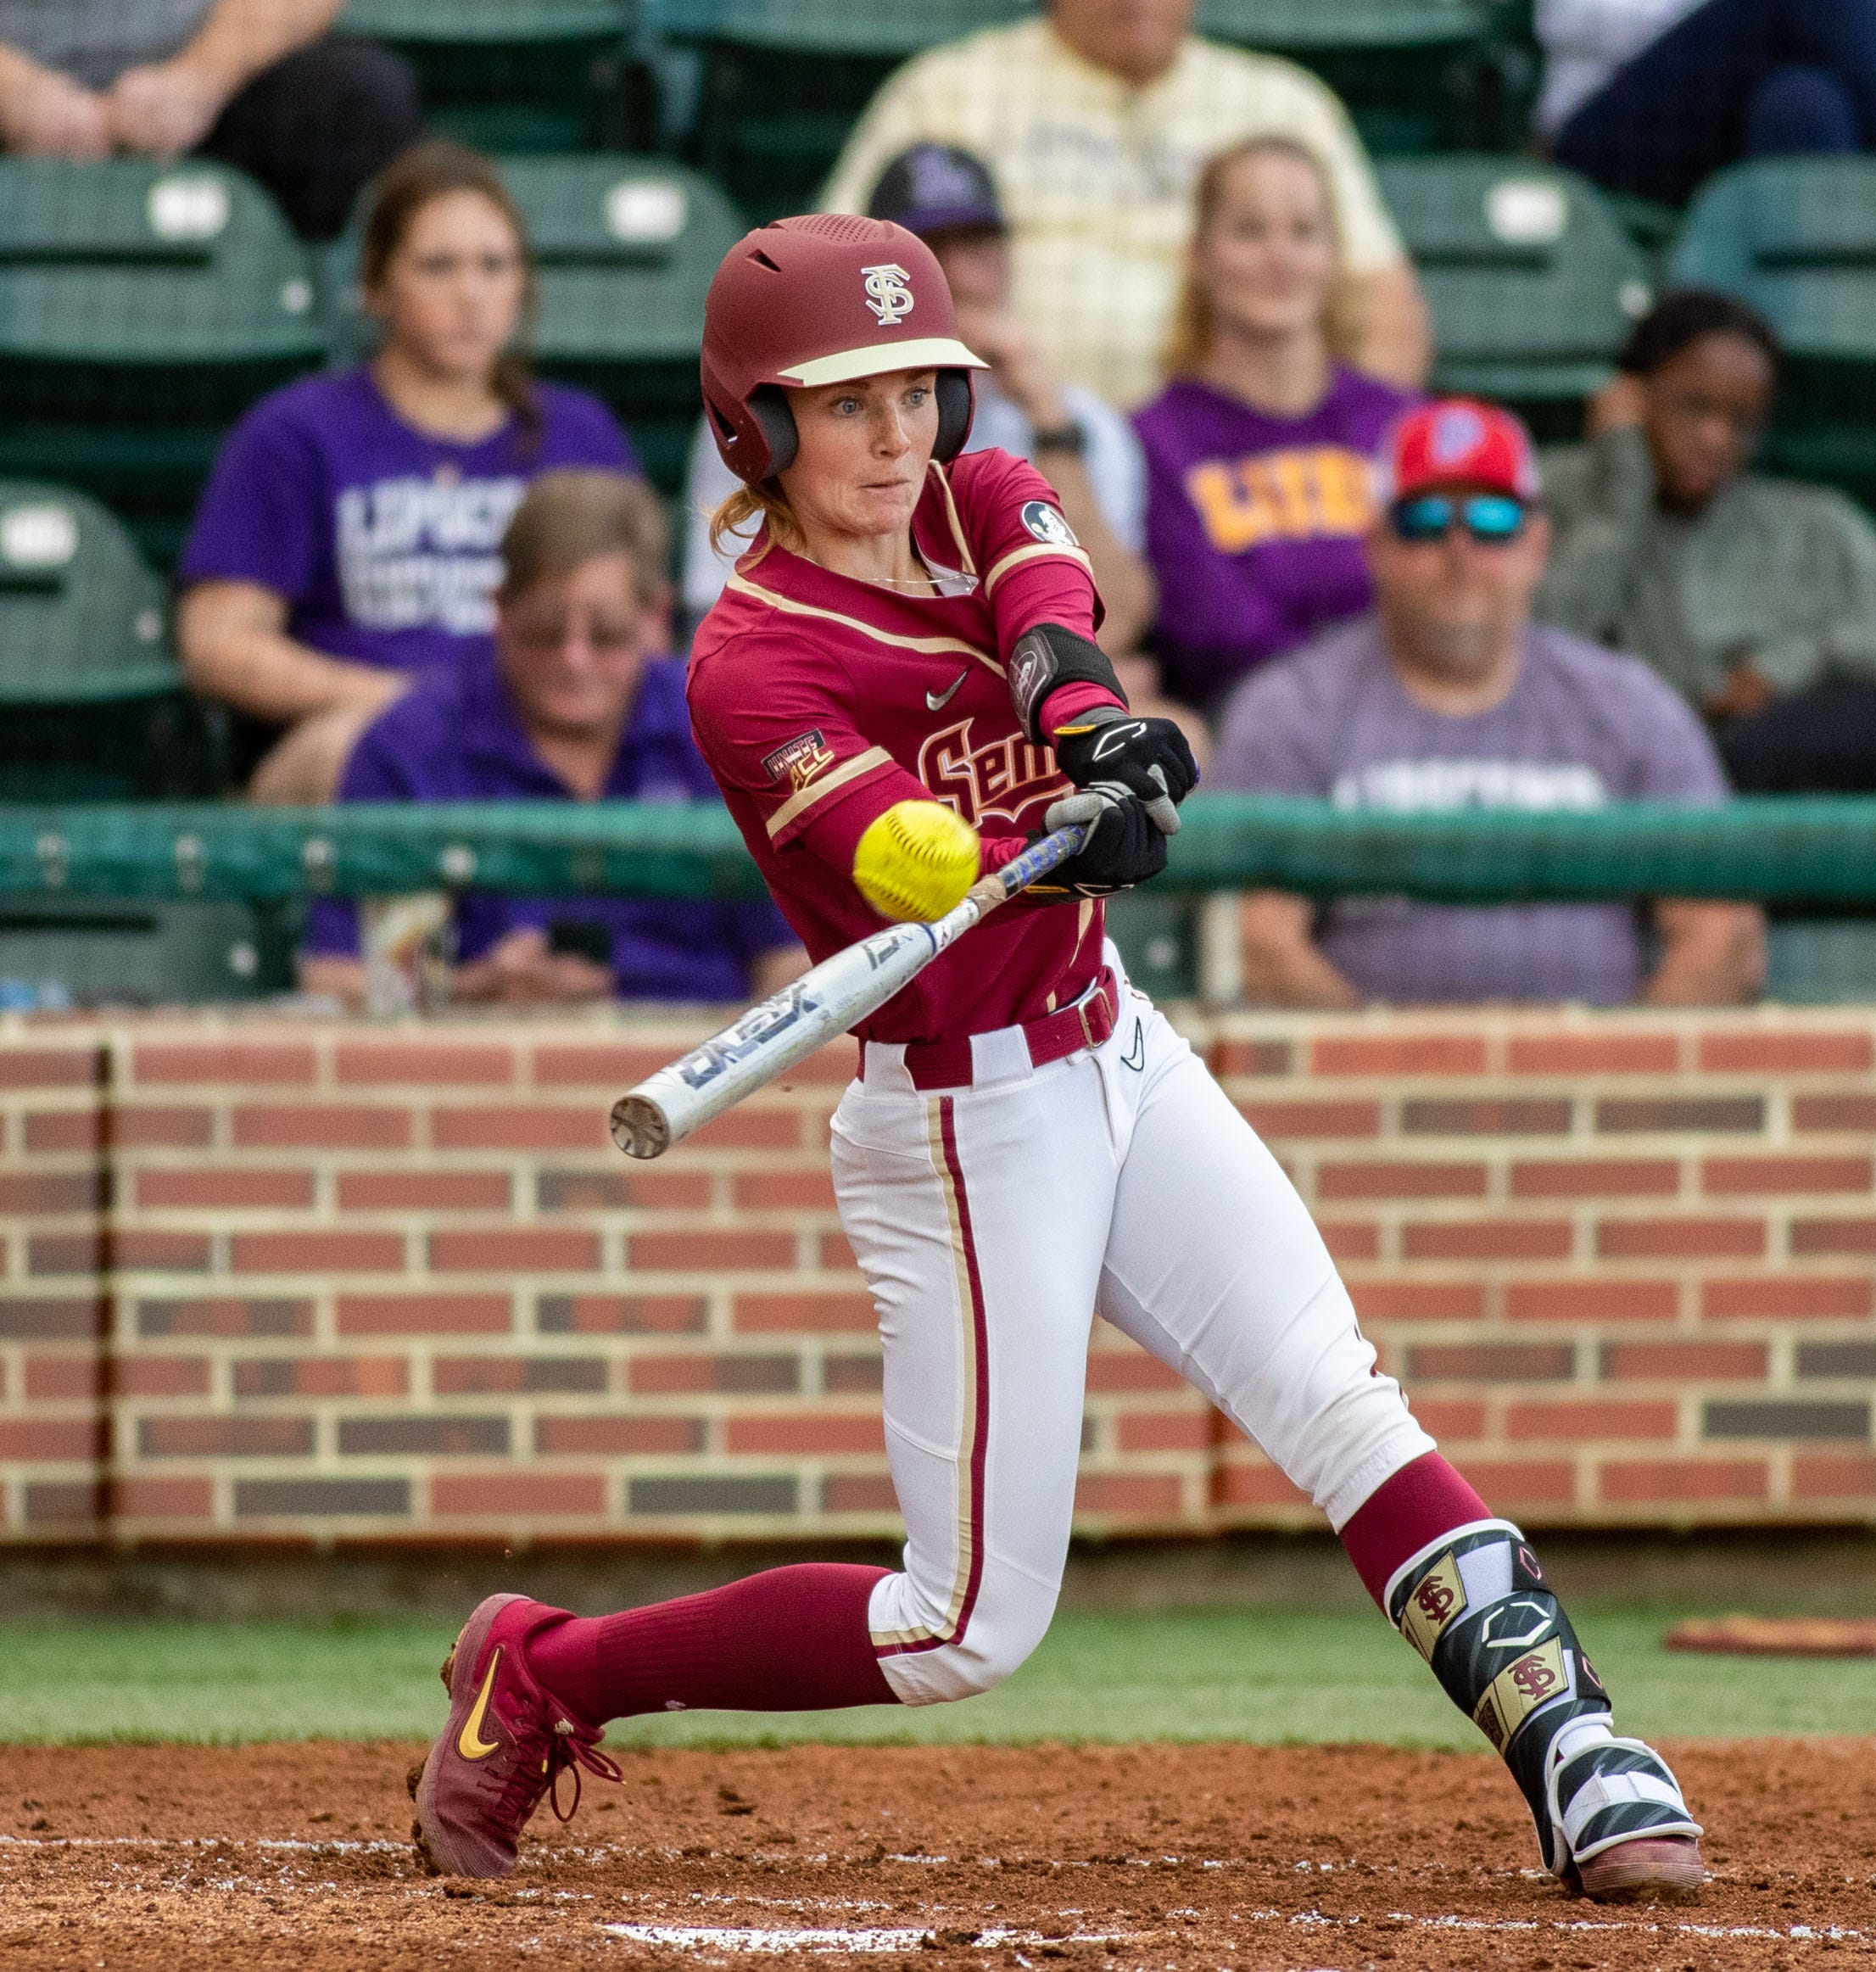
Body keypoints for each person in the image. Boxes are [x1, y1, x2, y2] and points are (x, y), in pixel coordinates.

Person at [406, 215, 1707, 1908]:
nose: (894, 436)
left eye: (915, 392)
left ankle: (1574, 1740)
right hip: (961, 1115)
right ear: (756, 426)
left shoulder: (976, 485)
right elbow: (900, 859)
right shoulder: (747, 657)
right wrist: (1016, 839)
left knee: (1329, 1389)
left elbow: (1045, 608)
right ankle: (549, 1665)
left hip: (1114, 1045)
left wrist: (1091, 739)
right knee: (961, 1625)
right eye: (845, 401)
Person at [1215, 398, 1766, 1010]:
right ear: (1375, 545)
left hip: (1592, 1084)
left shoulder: (1629, 705)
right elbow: (1258, 943)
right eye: (1423, 519)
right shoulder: (1292, 707)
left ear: (1536, 543)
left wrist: (1613, 1083)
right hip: (1365, 1090)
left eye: (1492, 518)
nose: (1459, 548)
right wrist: (1392, 1082)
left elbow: (1720, 933)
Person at [177, 141, 641, 805]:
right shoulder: (294, 434)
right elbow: (217, 644)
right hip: (359, 740)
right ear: (376, 285)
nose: (470, 295)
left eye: (493, 266)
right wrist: (407, 705)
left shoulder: (579, 434)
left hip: (547, 737)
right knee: (362, 749)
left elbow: (637, 625)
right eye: (437, 266)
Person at [301, 471, 805, 1009]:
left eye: (607, 635)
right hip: (478, 1063)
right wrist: (474, 990)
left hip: (704, 1058)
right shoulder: (407, 746)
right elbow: (333, 976)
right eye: (543, 632)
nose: (574, 660)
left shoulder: (729, 728)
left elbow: (794, 963)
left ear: (655, 617)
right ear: (499, 609)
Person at [817, 0, 1430, 412]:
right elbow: (829, 280)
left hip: (1225, 463)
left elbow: (1383, 311)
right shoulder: (947, 89)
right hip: (1005, 443)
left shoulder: (1283, 102)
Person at [687, 142, 1156, 668]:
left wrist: (1050, 424)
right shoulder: (770, 409)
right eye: (928, 254)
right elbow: (733, 630)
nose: (954, 278)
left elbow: (1110, 623)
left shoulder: (1079, 419)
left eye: (976, 249)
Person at [1535, 289, 1876, 796]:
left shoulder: (1812, 525)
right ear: (1629, 397)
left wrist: (1797, 661)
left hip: (1766, 776)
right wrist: (1619, 502)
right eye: (1694, 407)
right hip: (1608, 773)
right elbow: (1528, 655)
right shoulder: (1549, 494)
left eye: (1741, 422)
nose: (1717, 439)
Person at [1133, 135, 1418, 713]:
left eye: (1303, 232)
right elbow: (1214, 629)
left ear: (1334, 258)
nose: (1279, 257)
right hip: (1247, 728)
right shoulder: (1151, 440)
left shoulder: (1401, 424)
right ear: (1199, 256)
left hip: (1407, 714)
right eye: (1249, 231)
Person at [0, 0, 419, 241]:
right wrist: (11, 91)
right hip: (13, 108)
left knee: (360, 91)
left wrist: (201, 77)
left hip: (206, 97)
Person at [1539, 0, 1876, 213]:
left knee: (1804, 105)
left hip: (1767, 102)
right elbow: (1571, 21)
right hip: (1617, 128)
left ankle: (1823, 342)